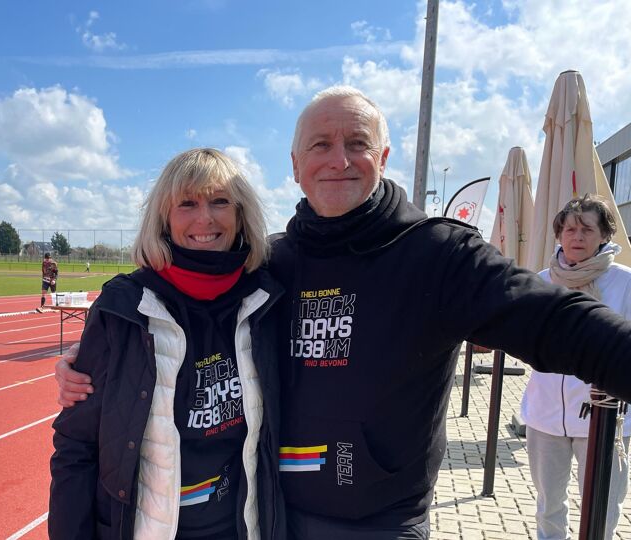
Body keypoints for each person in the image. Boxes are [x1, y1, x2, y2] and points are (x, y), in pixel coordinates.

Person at [57, 86, 631, 539]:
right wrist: (91, 361)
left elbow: (560, 322)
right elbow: (182, 317)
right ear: (295, 164)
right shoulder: (270, 267)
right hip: (274, 520)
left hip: (381, 524)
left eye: (356, 143)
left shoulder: (438, 254)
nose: (339, 160)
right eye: (321, 145)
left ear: (382, 156)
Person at [49, 148, 286, 539]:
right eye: (187, 203)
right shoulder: (123, 308)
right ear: (164, 218)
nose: (204, 218)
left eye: (220, 201)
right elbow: (76, 445)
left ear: (241, 214)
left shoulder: (267, 300)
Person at [519, 195, 631, 540]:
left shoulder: (625, 283)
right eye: (570, 229)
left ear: (604, 236)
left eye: (587, 229)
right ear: (559, 235)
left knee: (602, 507)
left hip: (605, 413)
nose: (577, 237)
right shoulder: (540, 282)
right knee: (548, 506)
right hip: (546, 413)